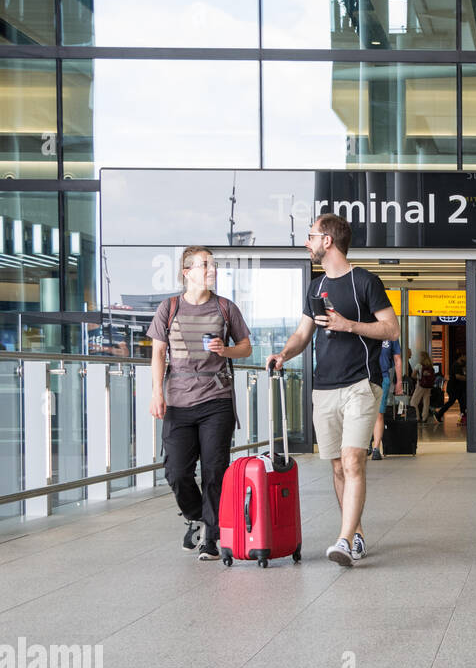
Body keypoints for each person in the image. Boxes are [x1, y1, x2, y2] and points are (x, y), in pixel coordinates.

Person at [268, 213, 400, 566]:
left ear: (327, 240)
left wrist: (349, 325)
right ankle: (355, 534)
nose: (306, 242)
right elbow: (302, 334)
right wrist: (284, 353)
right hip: (324, 388)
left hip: (360, 383)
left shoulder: (365, 282)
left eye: (311, 236)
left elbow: (391, 330)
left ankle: (342, 541)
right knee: (339, 467)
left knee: (355, 460)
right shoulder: (315, 286)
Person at [148, 245, 253, 560]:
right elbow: (157, 353)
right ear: (187, 272)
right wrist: (157, 392)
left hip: (216, 399)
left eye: (213, 265)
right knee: (176, 471)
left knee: (214, 470)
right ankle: (195, 516)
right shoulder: (169, 308)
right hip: (179, 402)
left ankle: (212, 535)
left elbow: (246, 347)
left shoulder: (225, 308)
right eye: (205, 265)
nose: (212, 270)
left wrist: (226, 351)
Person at [370, 333, 404, 460]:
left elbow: (397, 358)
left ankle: (376, 448)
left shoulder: (391, 334)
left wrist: (399, 381)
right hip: (363, 377)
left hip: (383, 377)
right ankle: (365, 444)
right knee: (361, 412)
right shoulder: (365, 325)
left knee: (379, 413)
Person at [409, 352, 434, 422]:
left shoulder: (419, 365)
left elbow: (412, 375)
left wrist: (419, 378)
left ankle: (417, 417)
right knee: (426, 402)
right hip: (428, 386)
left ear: (421, 357)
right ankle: (424, 417)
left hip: (421, 385)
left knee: (413, 402)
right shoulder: (430, 366)